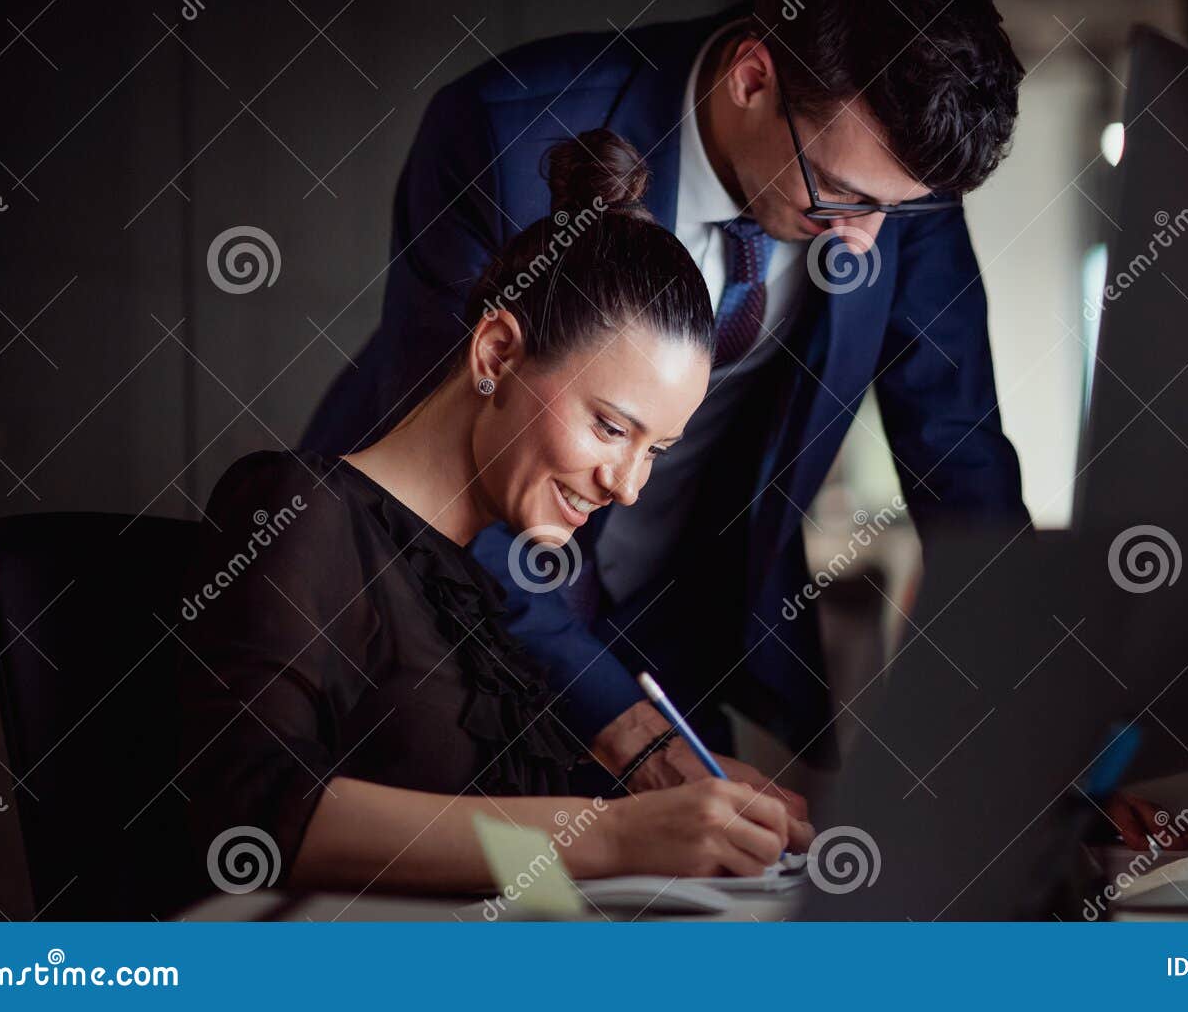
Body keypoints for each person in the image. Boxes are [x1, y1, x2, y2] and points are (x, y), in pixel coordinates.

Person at [301, 0, 1181, 851]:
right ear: (753, 79)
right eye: (840, 197)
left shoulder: (884, 177)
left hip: (673, 653)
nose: (867, 241)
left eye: (900, 209)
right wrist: (627, 734)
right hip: (441, 619)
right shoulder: (511, 130)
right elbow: (453, 472)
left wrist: (1054, 755)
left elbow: (959, 455)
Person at [177, 132, 810, 895]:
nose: (628, 485)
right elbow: (250, 815)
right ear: (497, 354)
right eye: (611, 427)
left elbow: (502, 876)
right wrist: (611, 836)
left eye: (656, 449)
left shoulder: (494, 609)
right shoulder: (296, 512)